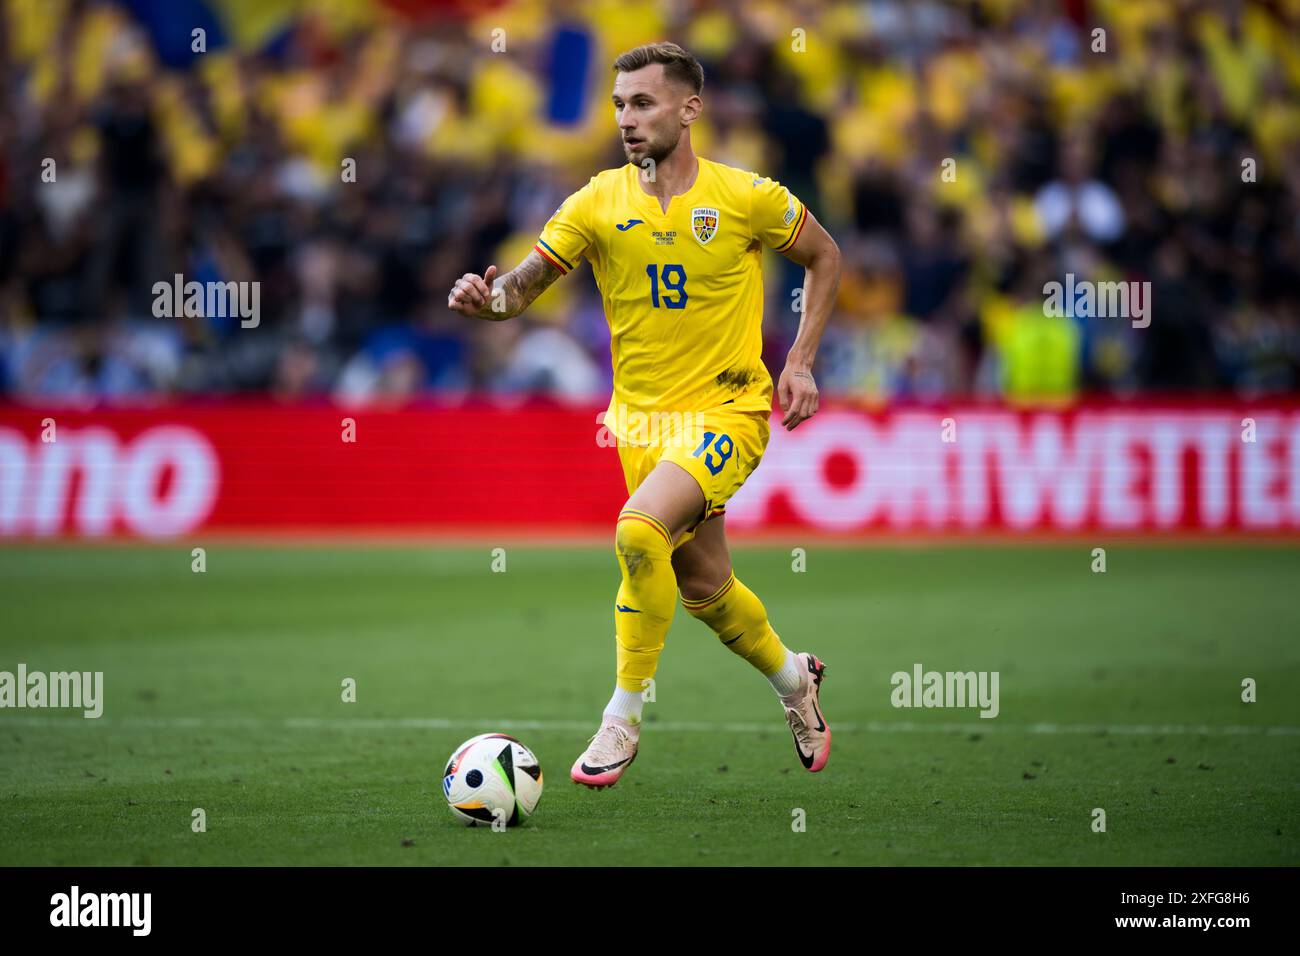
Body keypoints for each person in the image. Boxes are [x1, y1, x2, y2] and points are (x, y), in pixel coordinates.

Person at [448, 42, 842, 788]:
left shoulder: (746, 197)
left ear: (689, 110)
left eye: (644, 103)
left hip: (729, 411)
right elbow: (523, 287)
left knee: (637, 532)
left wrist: (798, 362)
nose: (627, 120)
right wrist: (487, 301)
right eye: (620, 106)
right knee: (705, 592)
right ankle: (796, 681)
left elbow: (826, 257)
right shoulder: (595, 202)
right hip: (640, 426)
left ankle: (621, 718)